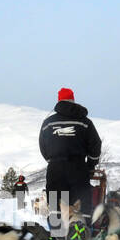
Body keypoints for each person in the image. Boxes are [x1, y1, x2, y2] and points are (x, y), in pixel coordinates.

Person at [38, 87, 101, 231]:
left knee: (56, 208)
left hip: (55, 171)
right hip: (78, 168)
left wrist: (52, 160)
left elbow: (43, 146)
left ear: (59, 100)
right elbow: (95, 144)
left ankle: (58, 239)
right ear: (73, 100)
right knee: (82, 206)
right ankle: (82, 237)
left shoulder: (48, 123)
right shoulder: (85, 122)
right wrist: (90, 164)